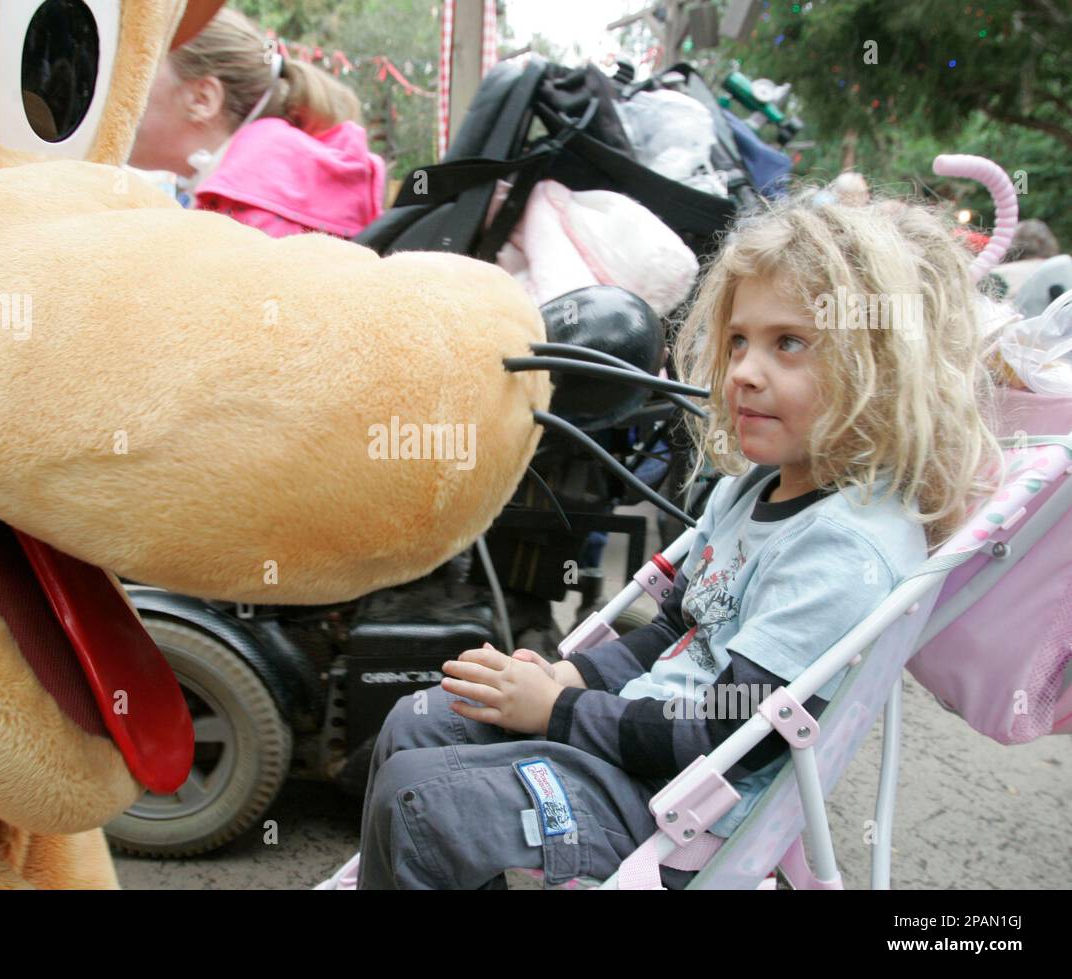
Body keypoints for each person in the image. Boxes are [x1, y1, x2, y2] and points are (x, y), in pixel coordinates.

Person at [345, 191, 1005, 889]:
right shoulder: (752, 489)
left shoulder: (844, 552)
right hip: (632, 739)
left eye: (788, 343)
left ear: (881, 365)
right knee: (418, 719)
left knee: (421, 802)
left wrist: (558, 710)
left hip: (683, 804)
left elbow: (725, 734)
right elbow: (671, 622)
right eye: (739, 340)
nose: (745, 370)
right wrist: (570, 675)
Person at [128, 8, 385, 237]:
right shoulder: (253, 195)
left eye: (142, 71)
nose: (121, 92)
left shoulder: (252, 222)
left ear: (202, 98)